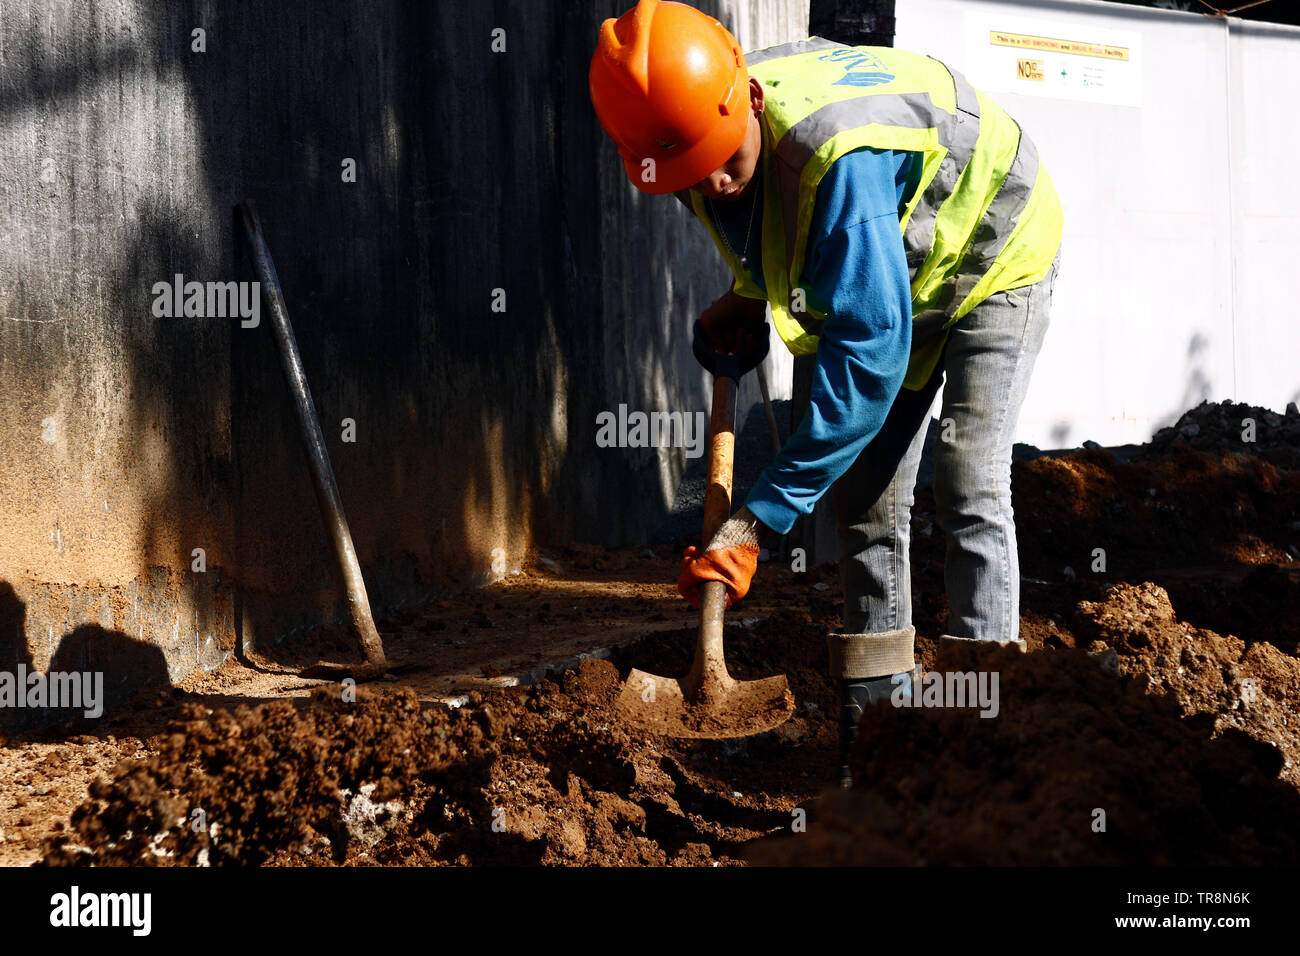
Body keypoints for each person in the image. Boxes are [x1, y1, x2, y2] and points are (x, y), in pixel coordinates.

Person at [589, 0, 1063, 784]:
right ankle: (881, 739)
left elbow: (867, 362)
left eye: (723, 162)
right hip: (895, 260)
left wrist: (750, 524)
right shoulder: (698, 141)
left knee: (968, 478)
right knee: (869, 500)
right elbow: (774, 226)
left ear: (751, 103)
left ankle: (984, 736)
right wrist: (749, 291)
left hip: (991, 252)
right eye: (684, 175)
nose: (711, 183)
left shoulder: (838, 156)